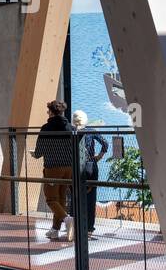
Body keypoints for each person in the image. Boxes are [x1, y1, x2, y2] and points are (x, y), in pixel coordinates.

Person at [31, 100, 75, 241]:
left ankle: (67, 219)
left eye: (48, 111)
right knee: (61, 198)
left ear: (51, 111)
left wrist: (34, 153)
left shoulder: (46, 128)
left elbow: (39, 152)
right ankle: (55, 230)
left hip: (53, 168)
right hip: (69, 168)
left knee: (51, 199)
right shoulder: (71, 128)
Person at [72, 111, 108, 239]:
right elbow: (105, 143)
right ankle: (89, 229)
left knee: (75, 197)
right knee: (91, 197)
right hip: (91, 166)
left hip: (75, 166)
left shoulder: (71, 132)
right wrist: (98, 157)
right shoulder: (91, 131)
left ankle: (76, 227)